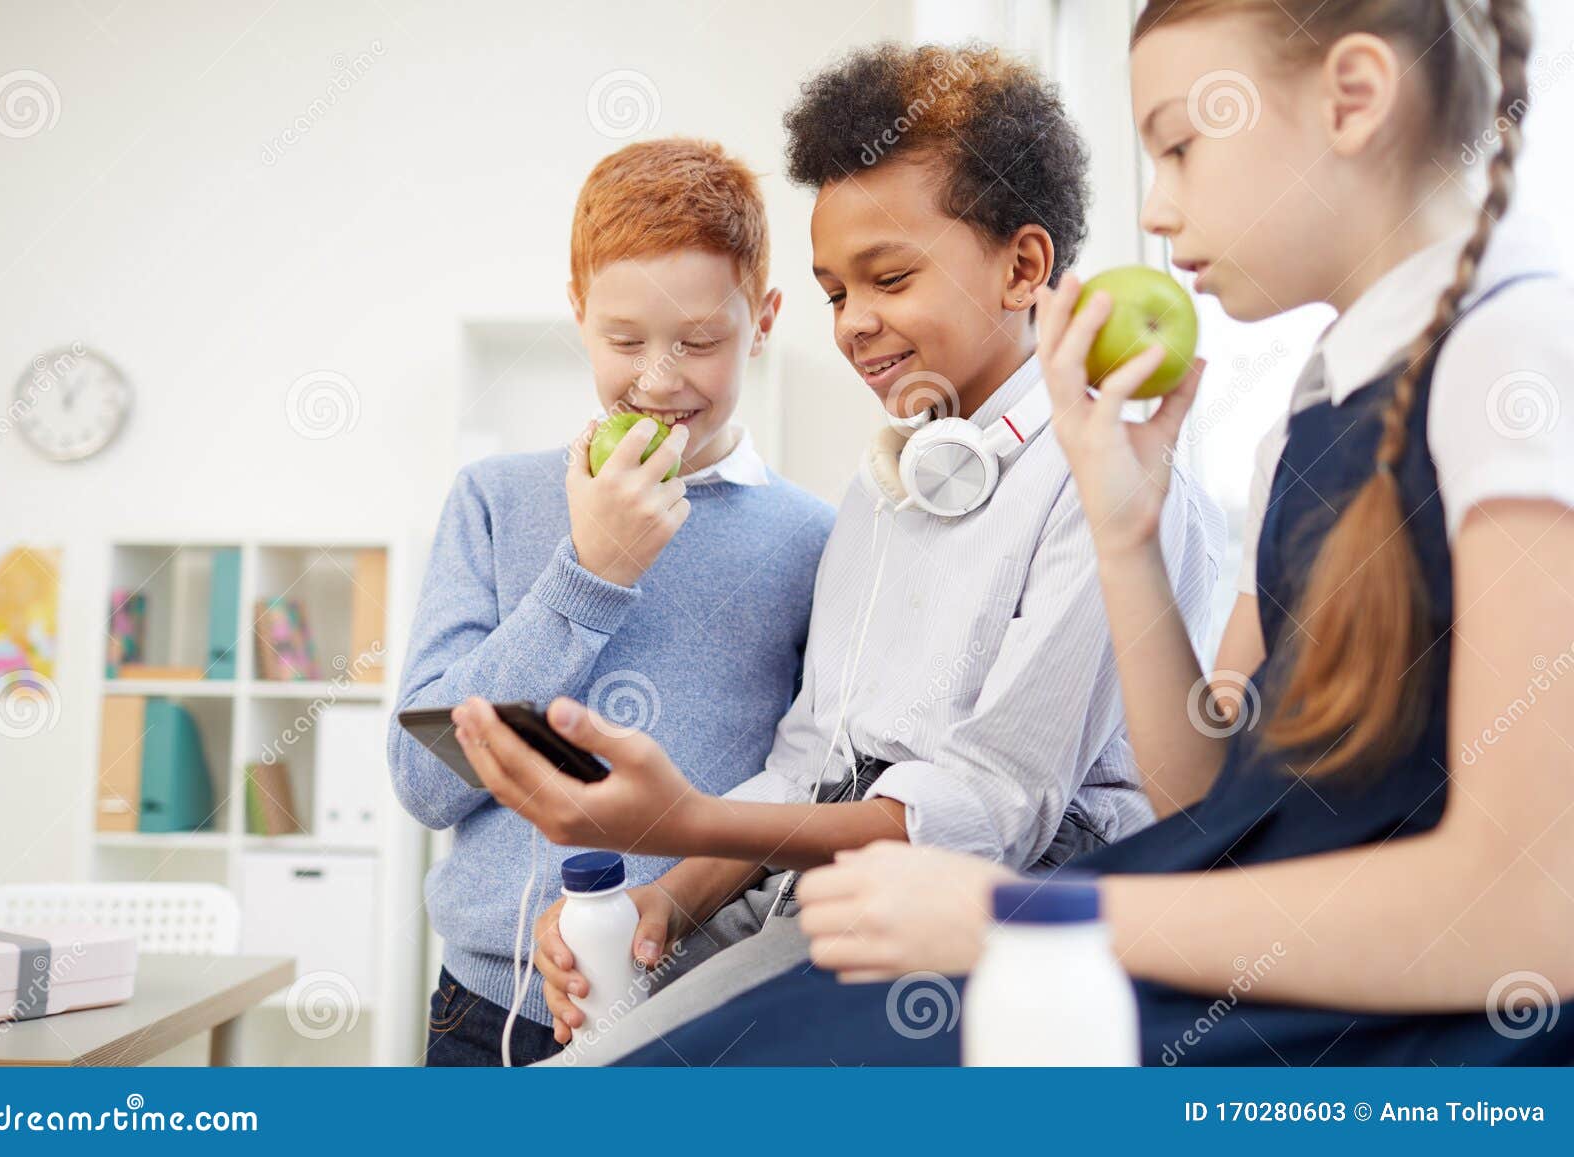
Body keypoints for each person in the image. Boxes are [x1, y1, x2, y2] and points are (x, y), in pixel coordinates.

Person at [606, 0, 1574, 1066]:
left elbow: (1530, 909)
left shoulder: (1514, 347)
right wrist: (1125, 530)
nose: (1156, 208)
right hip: (1261, 958)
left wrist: (1005, 916)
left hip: (1399, 1027)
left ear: (1353, 97)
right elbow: (1209, 801)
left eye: (1179, 145)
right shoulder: (1317, 401)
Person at [450, 43, 1222, 1064]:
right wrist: (667, 900)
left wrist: (689, 820)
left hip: (992, 956)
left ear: (1022, 267)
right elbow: (810, 766)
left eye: (888, 278)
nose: (855, 324)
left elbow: (993, 806)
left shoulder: (1114, 485)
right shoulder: (887, 484)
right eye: (832, 292)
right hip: (826, 923)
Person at [386, 138, 835, 1066]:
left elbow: (804, 797)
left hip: (705, 1018)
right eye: (625, 341)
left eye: (700, 341)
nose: (660, 378)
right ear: (579, 315)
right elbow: (423, 781)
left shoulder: (815, 539)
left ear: (764, 321)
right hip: (485, 1014)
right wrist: (592, 573)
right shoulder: (494, 500)